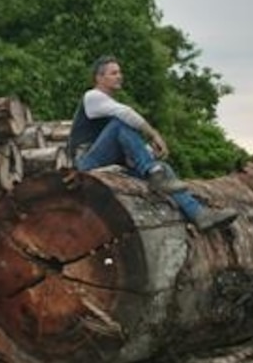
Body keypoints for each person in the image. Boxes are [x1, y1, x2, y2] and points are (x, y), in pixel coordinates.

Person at [66, 55, 239, 232]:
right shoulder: (93, 97)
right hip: (86, 163)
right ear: (99, 78)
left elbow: (128, 141)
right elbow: (127, 114)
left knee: (164, 169)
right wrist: (153, 134)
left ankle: (199, 215)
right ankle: (152, 172)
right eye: (114, 73)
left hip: (109, 164)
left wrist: (148, 153)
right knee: (121, 124)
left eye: (120, 72)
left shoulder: (108, 105)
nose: (120, 76)